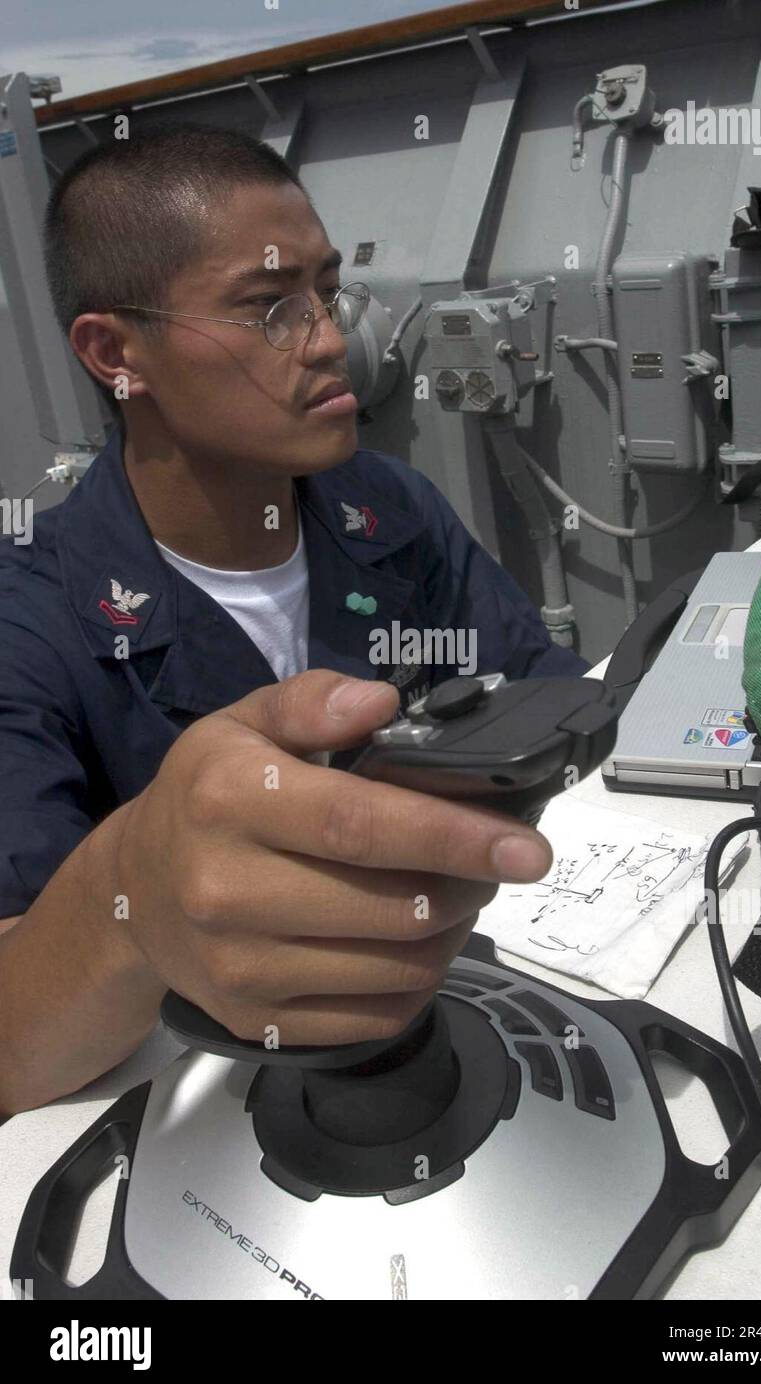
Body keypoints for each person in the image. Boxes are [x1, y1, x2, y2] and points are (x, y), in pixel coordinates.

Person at [0, 122, 585, 1117]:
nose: (329, 340)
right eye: (269, 309)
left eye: (326, 292)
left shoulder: (389, 508)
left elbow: (547, 706)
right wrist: (133, 889)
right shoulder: (29, 625)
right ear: (115, 354)